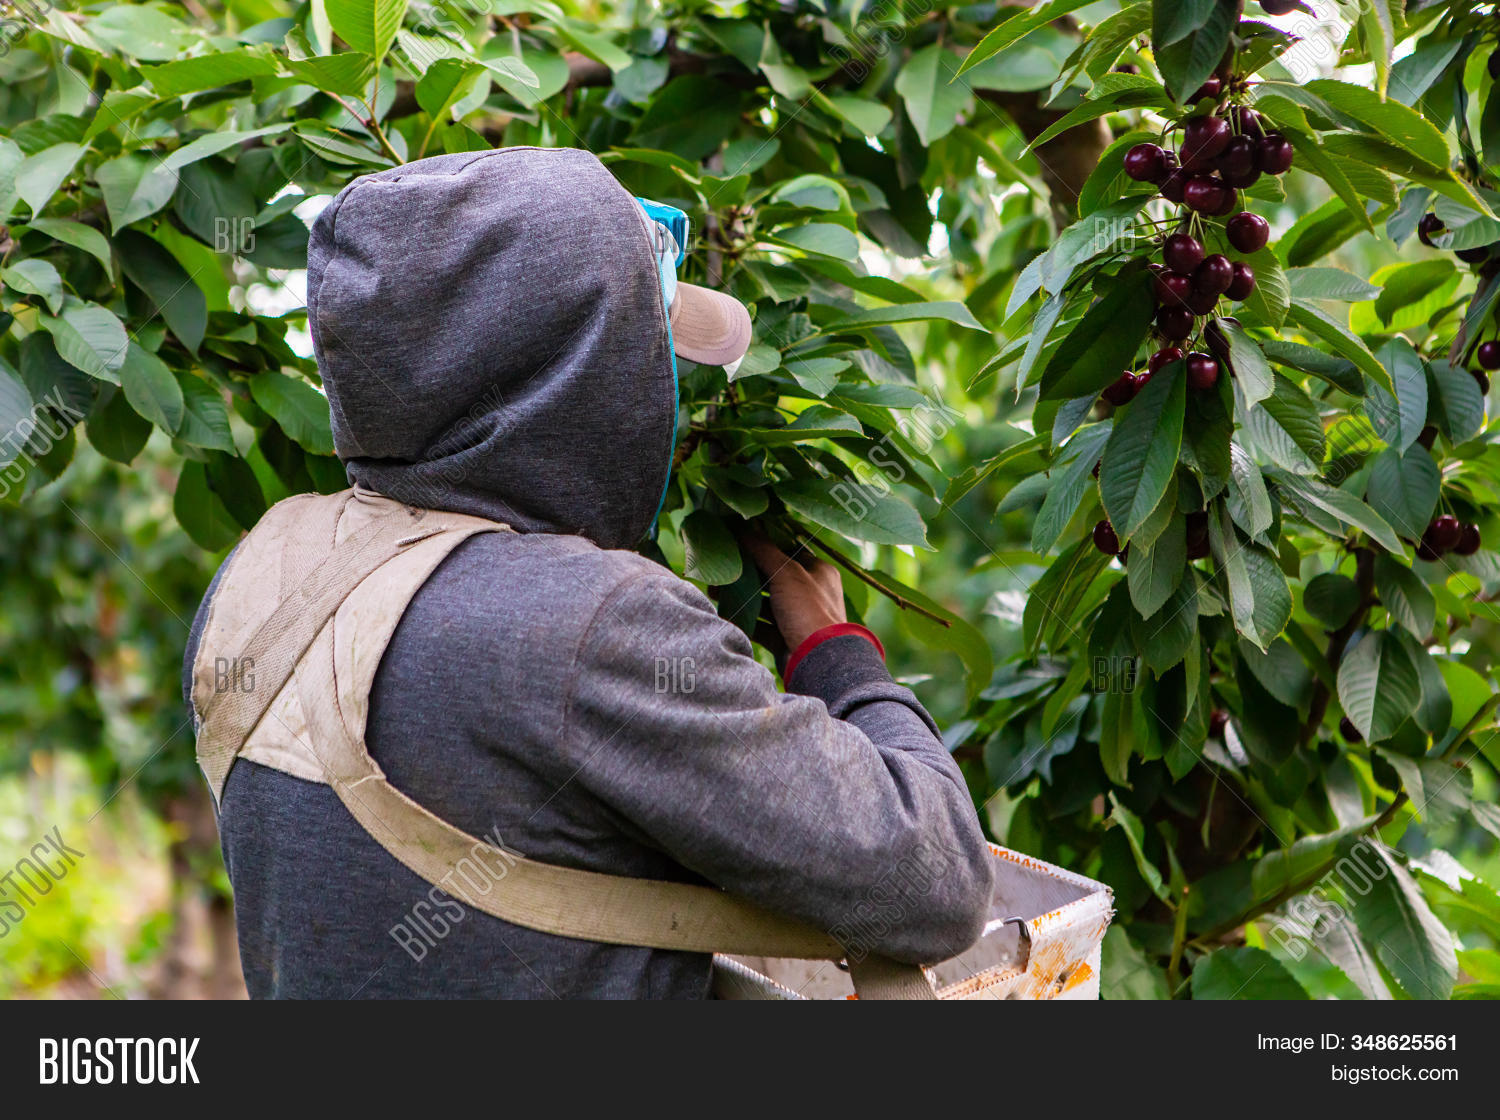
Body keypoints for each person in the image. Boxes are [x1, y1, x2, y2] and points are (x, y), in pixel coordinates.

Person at [183, 146, 993, 999]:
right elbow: (934, 885)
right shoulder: (597, 627)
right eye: (648, 357)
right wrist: (835, 650)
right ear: (577, 377)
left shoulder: (259, 571)